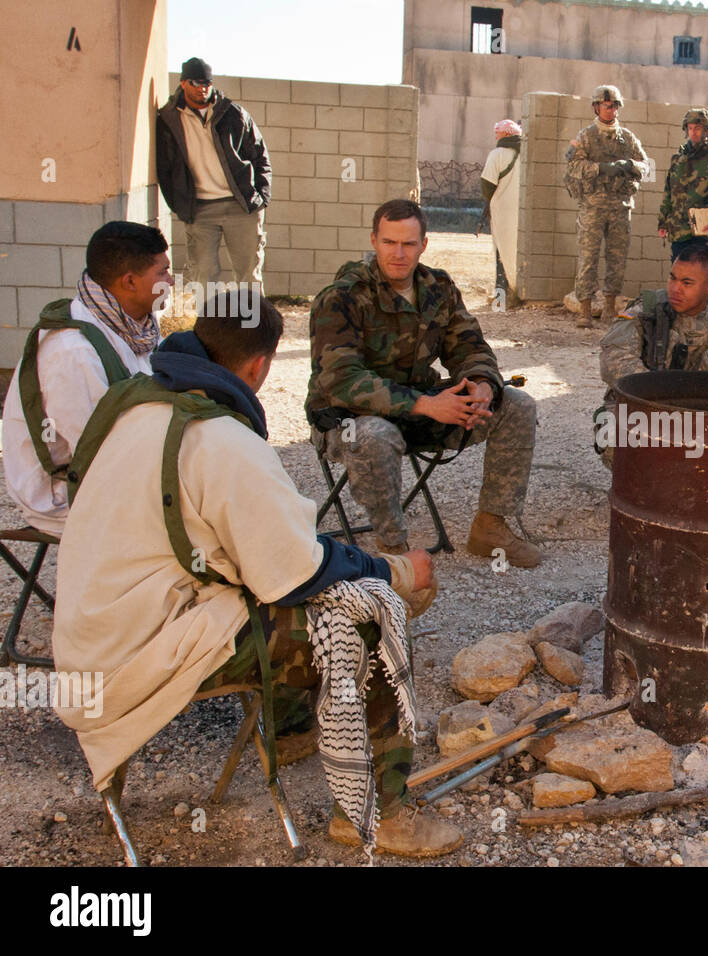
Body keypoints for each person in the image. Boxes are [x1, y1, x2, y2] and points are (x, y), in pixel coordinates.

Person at [53, 291, 456, 857]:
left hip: (86, 642)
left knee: (273, 591)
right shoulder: (222, 438)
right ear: (260, 364)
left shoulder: (136, 405)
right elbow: (296, 574)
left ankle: (292, 732)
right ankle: (377, 814)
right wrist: (392, 570)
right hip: (136, 657)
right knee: (368, 612)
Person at [306, 199, 541, 567]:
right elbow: (341, 381)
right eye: (389, 242)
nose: (398, 254)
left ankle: (490, 525)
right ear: (373, 240)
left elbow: (470, 347)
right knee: (374, 435)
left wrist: (481, 384)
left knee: (516, 405)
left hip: (416, 413)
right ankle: (394, 553)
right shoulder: (342, 297)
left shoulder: (438, 287)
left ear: (424, 245)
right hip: (348, 419)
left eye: (408, 244)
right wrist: (427, 404)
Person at [1, 221, 167, 535]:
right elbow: (99, 451)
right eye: (163, 273)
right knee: (198, 516)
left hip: (118, 467)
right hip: (65, 494)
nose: (171, 280)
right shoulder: (73, 352)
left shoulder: (135, 326)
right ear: (129, 282)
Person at [596, 244, 708, 467]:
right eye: (672, 278)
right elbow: (613, 363)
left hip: (703, 420)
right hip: (648, 411)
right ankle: (638, 490)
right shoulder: (647, 312)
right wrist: (665, 399)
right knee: (616, 437)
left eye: (687, 283)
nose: (675, 289)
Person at [156, 57, 271, 292]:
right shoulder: (168, 119)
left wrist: (262, 196)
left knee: (249, 276)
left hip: (241, 205)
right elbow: (164, 168)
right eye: (197, 83)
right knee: (203, 276)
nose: (203, 88)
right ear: (184, 83)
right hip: (199, 210)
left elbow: (260, 155)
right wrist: (180, 205)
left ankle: (255, 327)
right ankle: (207, 328)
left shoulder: (233, 114)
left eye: (207, 82)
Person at [564, 85, 650, 328]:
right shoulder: (586, 136)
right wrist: (601, 168)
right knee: (588, 258)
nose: (611, 110)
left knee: (616, 259)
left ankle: (610, 308)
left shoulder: (628, 138)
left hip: (620, 206)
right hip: (592, 206)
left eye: (614, 106)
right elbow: (573, 166)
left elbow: (646, 166)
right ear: (596, 107)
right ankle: (585, 310)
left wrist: (629, 165)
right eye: (606, 105)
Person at [657, 108, 708, 261]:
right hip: (679, 232)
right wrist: (663, 221)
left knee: (704, 278)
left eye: (697, 128)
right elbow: (669, 192)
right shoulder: (679, 159)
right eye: (690, 128)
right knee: (680, 277)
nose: (693, 132)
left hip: (704, 232)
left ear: (707, 130)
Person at [480, 119, 523, 308]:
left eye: (497, 133)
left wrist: (490, 202)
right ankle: (518, 295)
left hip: (502, 212)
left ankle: (501, 301)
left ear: (505, 134)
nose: (495, 136)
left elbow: (487, 185)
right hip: (522, 213)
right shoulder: (526, 154)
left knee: (501, 255)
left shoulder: (497, 154)